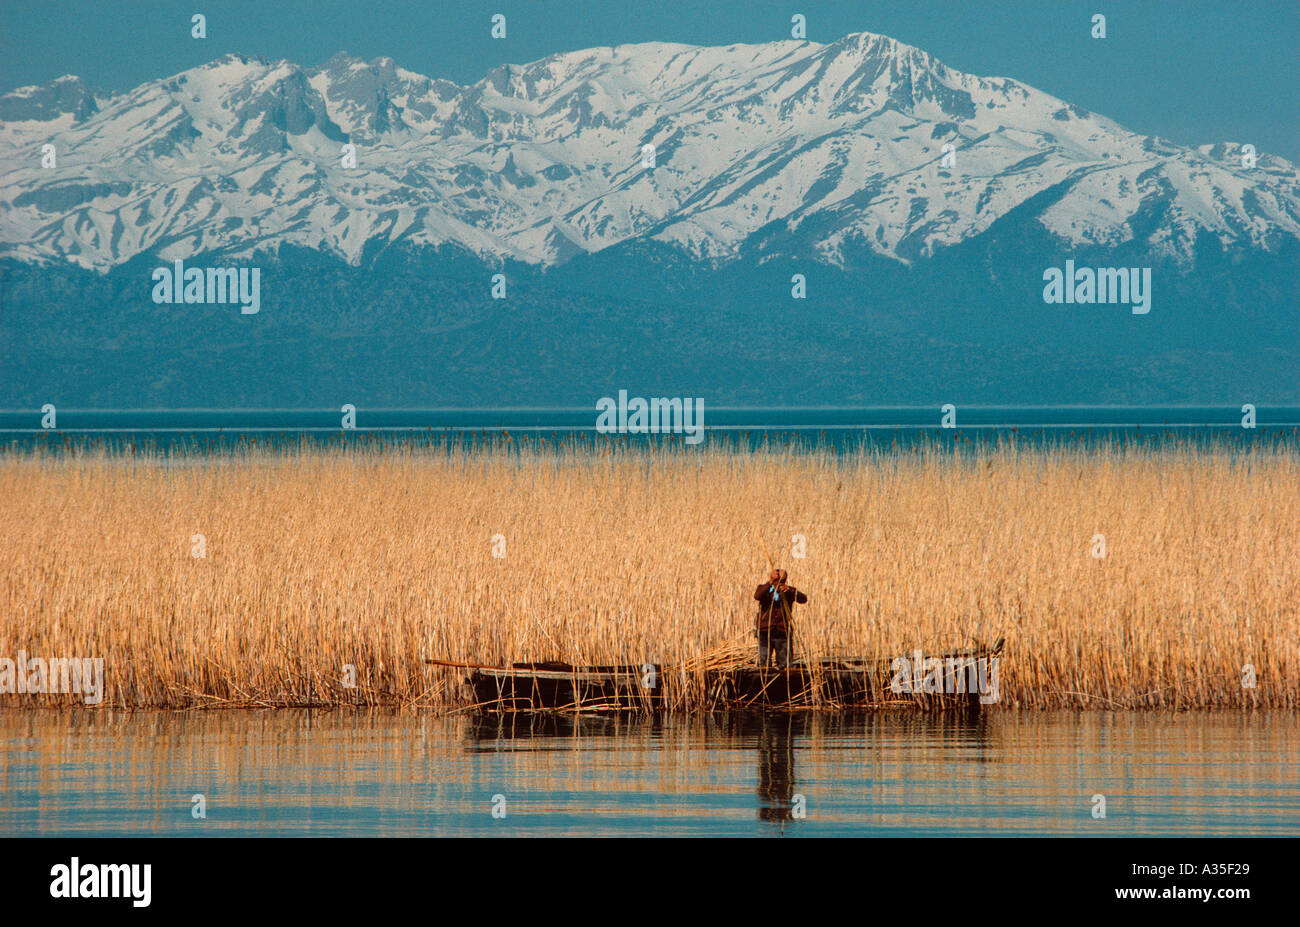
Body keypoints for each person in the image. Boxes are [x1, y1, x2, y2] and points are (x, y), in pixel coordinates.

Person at [754, 568, 807, 668]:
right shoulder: (764, 589)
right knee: (764, 661)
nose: (779, 583)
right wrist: (770, 582)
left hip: (782, 631)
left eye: (782, 581)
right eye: (777, 581)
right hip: (765, 630)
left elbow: (803, 599)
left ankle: (785, 678)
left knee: (785, 663)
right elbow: (757, 596)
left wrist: (789, 590)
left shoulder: (788, 591)